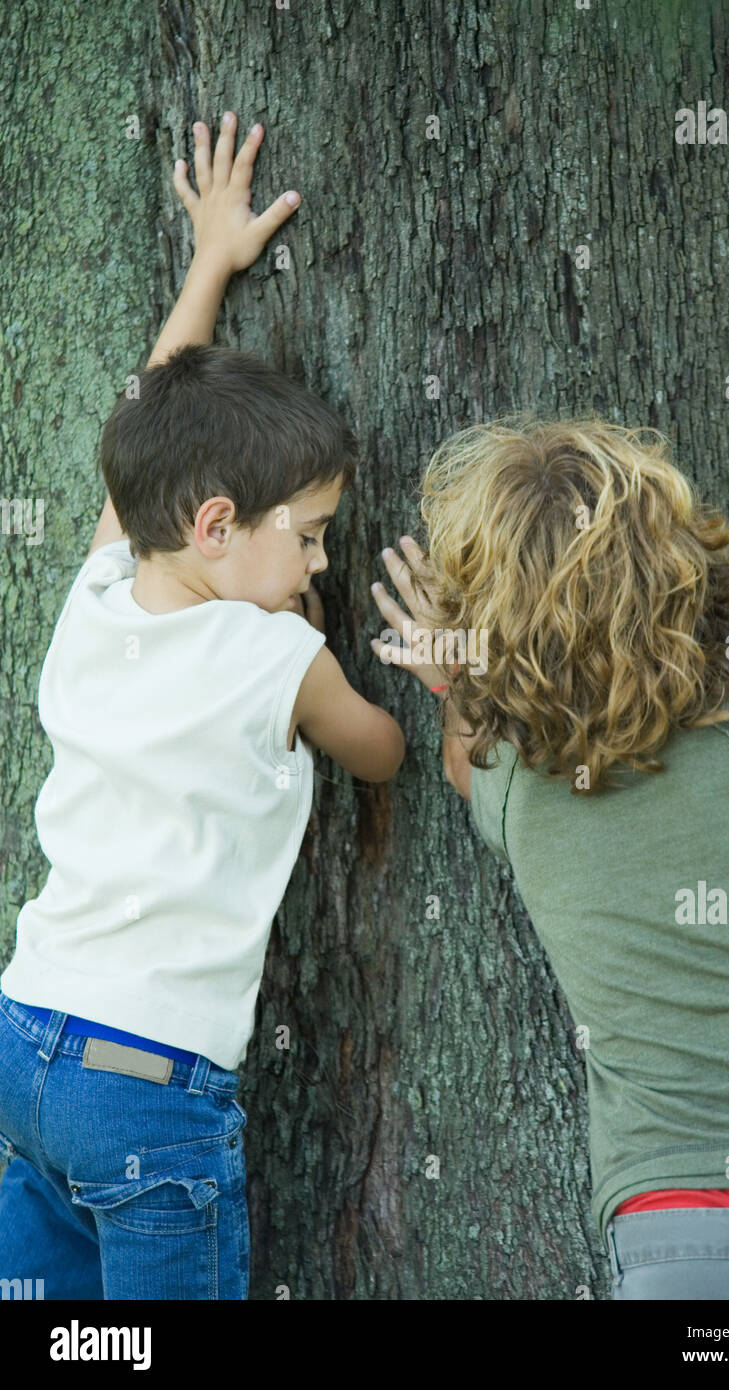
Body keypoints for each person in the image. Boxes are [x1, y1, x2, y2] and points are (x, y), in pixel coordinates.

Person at [0, 113, 410, 1300]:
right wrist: (318, 636)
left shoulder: (97, 594)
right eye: (316, 536)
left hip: (28, 1042)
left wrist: (207, 268)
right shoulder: (270, 654)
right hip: (147, 1089)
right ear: (221, 525)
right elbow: (380, 753)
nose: (323, 562)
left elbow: (142, 451)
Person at [368, 415, 729, 1299]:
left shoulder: (521, 789)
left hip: (671, 1233)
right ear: (676, 569)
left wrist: (456, 672)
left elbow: (464, 761)